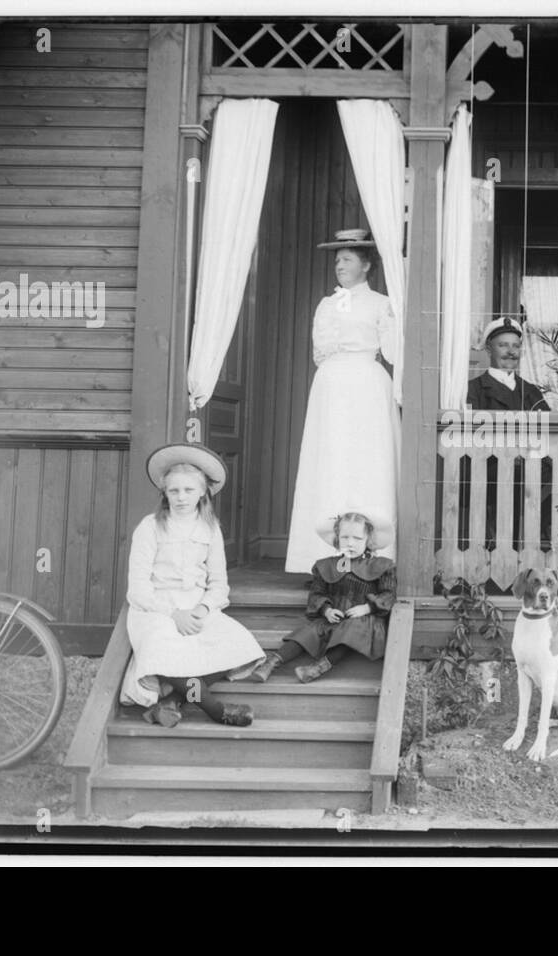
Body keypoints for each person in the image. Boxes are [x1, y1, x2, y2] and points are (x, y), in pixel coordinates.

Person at [120, 443, 265, 728]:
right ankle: (215, 709)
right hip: (157, 609)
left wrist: (203, 608)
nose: (181, 497)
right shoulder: (150, 527)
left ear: (202, 492)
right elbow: (138, 589)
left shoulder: (209, 529)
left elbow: (219, 584)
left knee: (233, 644)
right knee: (163, 646)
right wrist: (174, 614)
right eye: (174, 491)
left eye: (188, 490)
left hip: (196, 607)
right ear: (165, 492)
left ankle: (171, 701)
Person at [285, 229, 401, 573]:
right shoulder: (326, 304)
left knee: (367, 460)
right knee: (332, 459)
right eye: (337, 260)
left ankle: (373, 556)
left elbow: (392, 351)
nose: (340, 266)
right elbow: (321, 352)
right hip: (333, 385)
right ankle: (319, 558)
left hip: (367, 381)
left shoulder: (381, 304)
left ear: (366, 265)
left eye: (347, 259)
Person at [254, 509, 396, 684]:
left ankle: (316, 668)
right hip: (335, 617)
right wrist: (327, 610)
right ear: (337, 538)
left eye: (357, 539)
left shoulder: (381, 566)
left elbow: (389, 595)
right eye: (345, 538)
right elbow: (317, 593)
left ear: (368, 540)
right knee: (309, 632)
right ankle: (271, 663)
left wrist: (367, 608)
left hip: (364, 621)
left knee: (352, 632)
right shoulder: (327, 566)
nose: (350, 543)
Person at [466, 316, 551, 412]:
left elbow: (548, 425)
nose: (511, 352)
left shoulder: (531, 392)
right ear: (489, 350)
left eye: (516, 346)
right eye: (503, 345)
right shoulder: (472, 390)